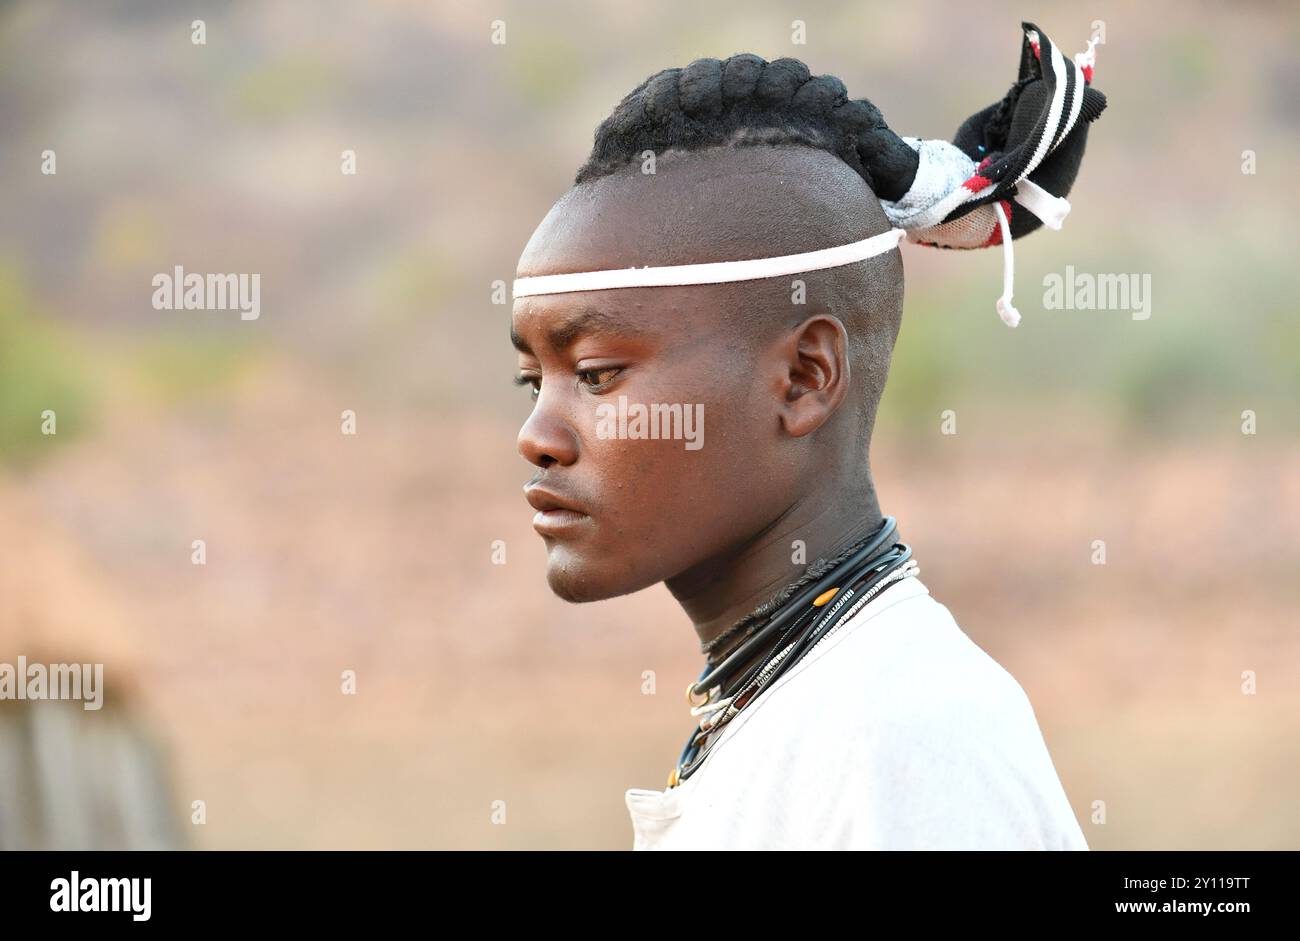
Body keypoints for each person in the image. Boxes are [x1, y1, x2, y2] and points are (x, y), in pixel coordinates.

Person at [510, 22, 1104, 849]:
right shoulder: (802, 711)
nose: (537, 436)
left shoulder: (901, 740)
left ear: (804, 377)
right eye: (533, 382)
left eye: (599, 373)